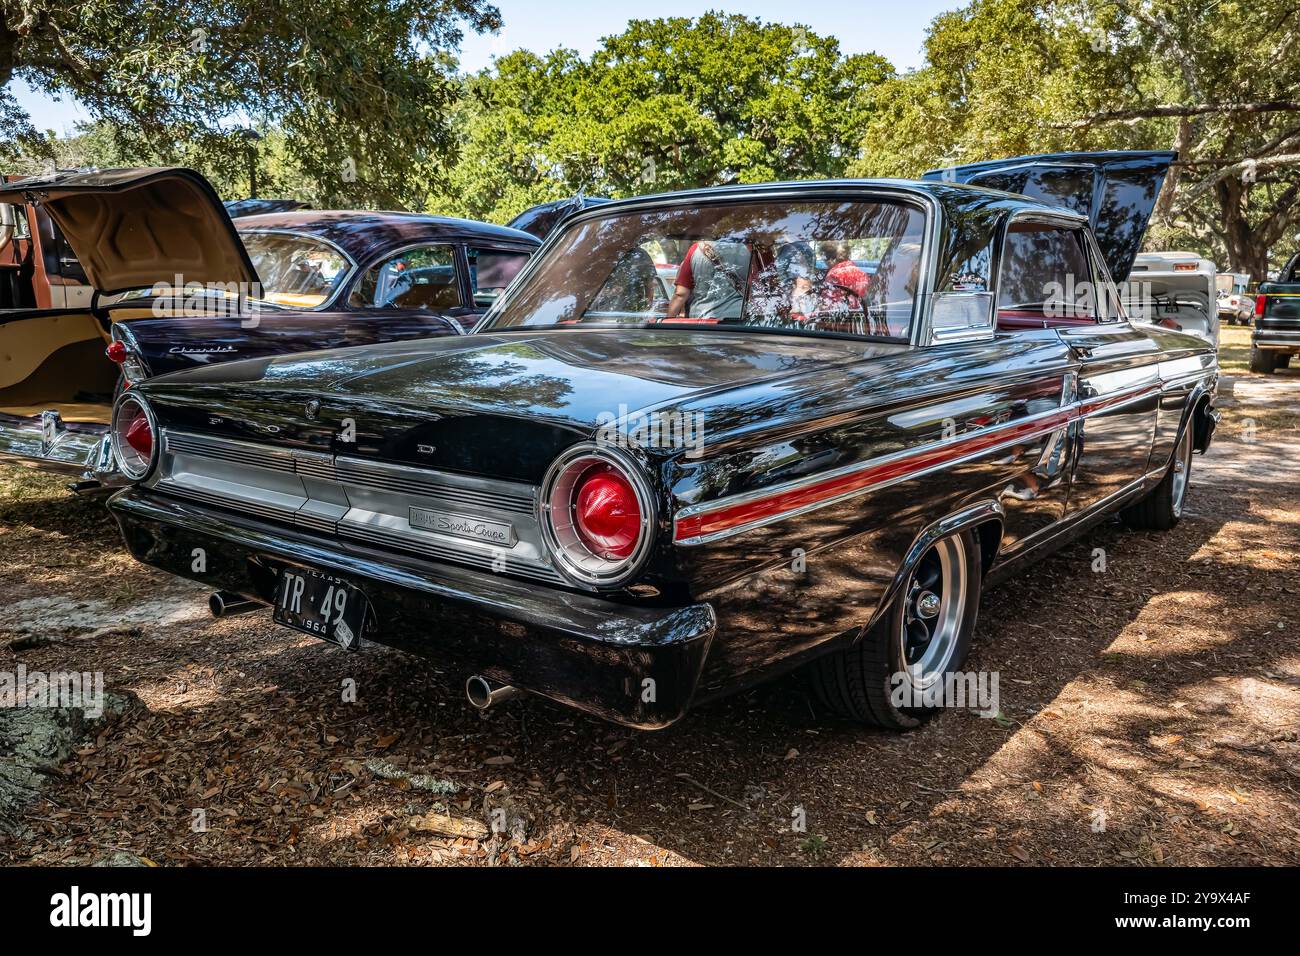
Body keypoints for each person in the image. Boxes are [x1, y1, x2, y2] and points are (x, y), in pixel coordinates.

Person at [666, 239, 751, 320]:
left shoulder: (696, 249)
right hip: (739, 320)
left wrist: (667, 324)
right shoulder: (749, 250)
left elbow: (680, 294)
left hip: (703, 320)